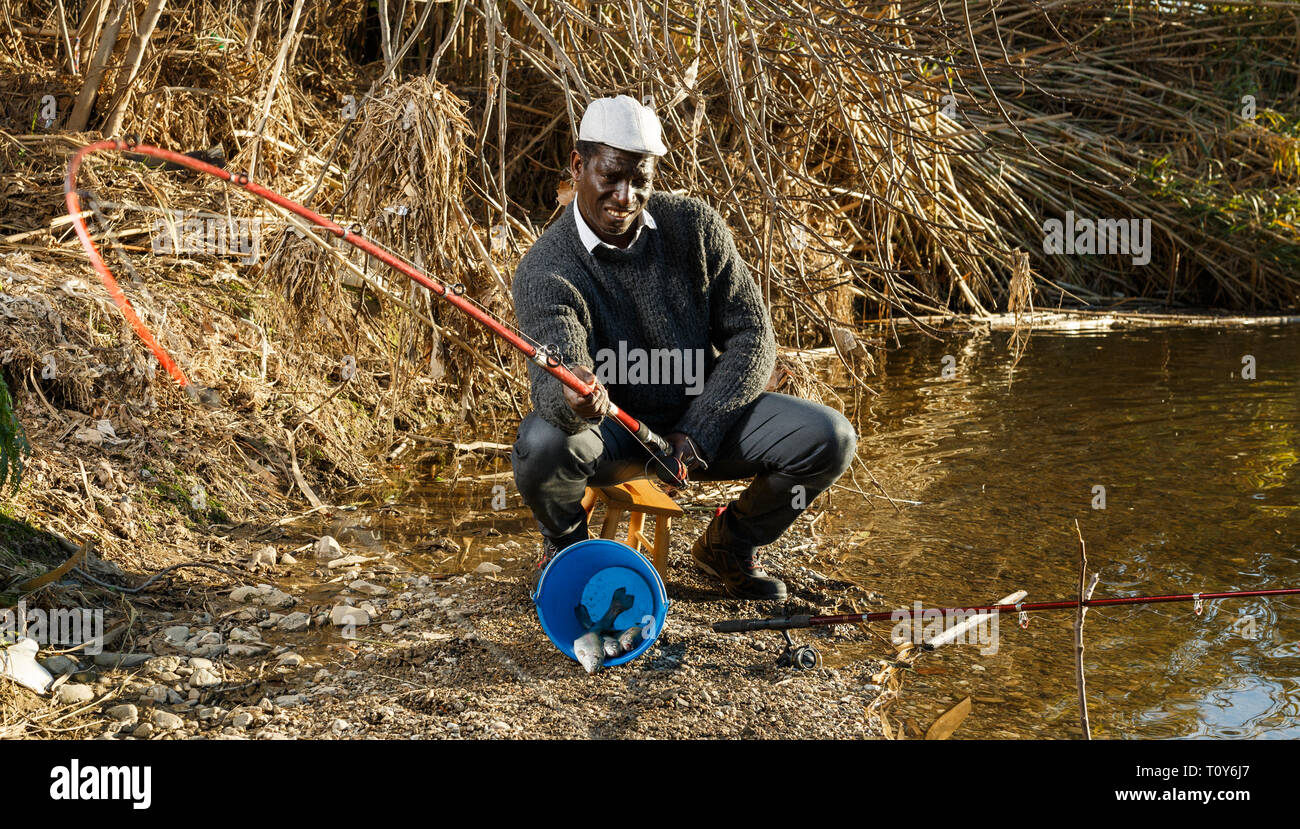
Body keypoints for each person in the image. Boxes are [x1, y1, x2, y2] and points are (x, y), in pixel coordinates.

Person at [511, 95, 856, 600]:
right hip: (614, 436)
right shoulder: (546, 269)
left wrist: (697, 433)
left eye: (641, 180)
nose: (625, 196)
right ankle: (567, 551)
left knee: (829, 437)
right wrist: (574, 397)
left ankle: (728, 544)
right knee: (542, 445)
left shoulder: (694, 226)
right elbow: (552, 376)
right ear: (578, 165)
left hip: (703, 425)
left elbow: (752, 335)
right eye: (610, 176)